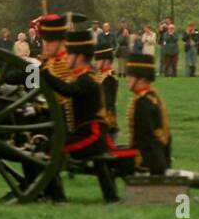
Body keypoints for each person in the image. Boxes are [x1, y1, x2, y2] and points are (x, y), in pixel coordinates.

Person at [38, 17, 130, 201]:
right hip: (82, 131)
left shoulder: (85, 77)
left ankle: (55, 197)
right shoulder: (45, 64)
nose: (45, 46)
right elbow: (27, 81)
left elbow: (66, 90)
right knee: (44, 147)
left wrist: (44, 74)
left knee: (47, 151)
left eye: (49, 41)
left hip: (89, 134)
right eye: (44, 41)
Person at [122, 53, 171, 175]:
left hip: (145, 160)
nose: (127, 79)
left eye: (131, 75)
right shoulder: (152, 97)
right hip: (154, 157)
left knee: (108, 160)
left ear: (142, 78)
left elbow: (146, 138)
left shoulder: (143, 102)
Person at [93, 46, 118, 136]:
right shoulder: (100, 74)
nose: (96, 63)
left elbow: (108, 103)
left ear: (106, 61)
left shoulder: (109, 78)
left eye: (98, 60)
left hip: (107, 123)